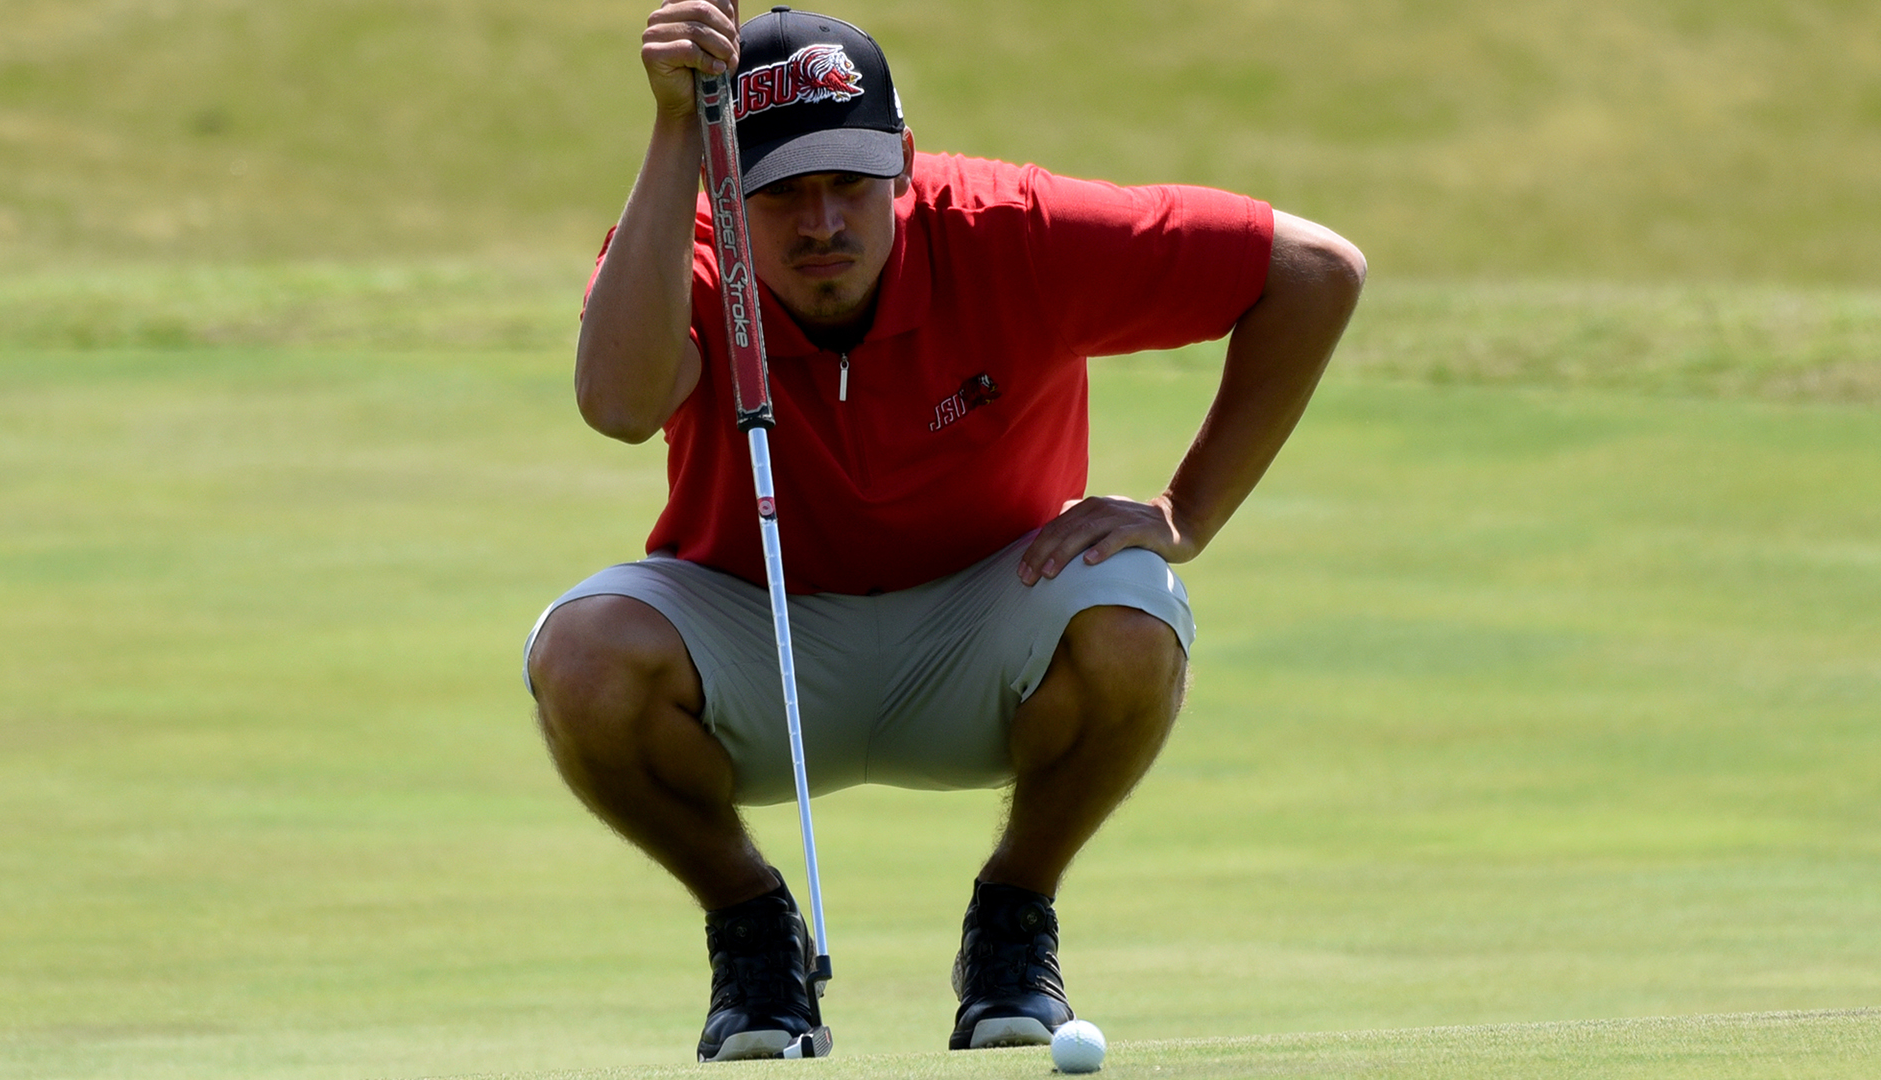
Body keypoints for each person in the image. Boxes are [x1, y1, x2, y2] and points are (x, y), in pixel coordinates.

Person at [523, 0, 1365, 1063]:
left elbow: (1313, 271)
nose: (822, 222)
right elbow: (617, 403)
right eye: (780, 192)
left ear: (905, 164)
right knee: (583, 657)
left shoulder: (1014, 230)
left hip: (984, 624)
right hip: (763, 632)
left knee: (1133, 617)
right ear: (726, 187)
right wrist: (672, 133)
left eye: (850, 184)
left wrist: (1181, 513)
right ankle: (750, 931)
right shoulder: (687, 253)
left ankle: (1015, 920)